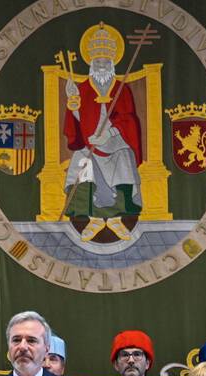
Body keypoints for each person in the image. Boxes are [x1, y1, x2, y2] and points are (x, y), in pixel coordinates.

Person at [62, 22, 143, 240]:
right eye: (96, 60)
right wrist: (73, 106)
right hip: (89, 143)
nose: (100, 64)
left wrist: (111, 133)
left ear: (111, 62)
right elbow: (75, 124)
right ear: (91, 62)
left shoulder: (121, 88)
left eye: (104, 60)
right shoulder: (82, 89)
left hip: (116, 143)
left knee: (124, 158)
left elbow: (129, 119)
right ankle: (92, 219)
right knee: (80, 161)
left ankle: (118, 219)